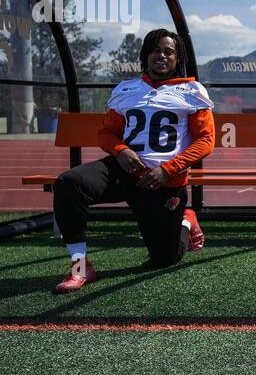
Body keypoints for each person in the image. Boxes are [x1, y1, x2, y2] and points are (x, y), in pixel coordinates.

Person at [51, 29, 214, 292]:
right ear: (145, 55)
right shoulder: (127, 89)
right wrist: (120, 150)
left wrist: (166, 170)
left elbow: (205, 141)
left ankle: (186, 219)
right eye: (155, 50)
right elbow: (107, 132)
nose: (161, 56)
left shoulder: (191, 91)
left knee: (164, 259)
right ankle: (80, 266)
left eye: (168, 51)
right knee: (69, 183)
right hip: (124, 170)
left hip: (163, 181)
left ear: (177, 58)